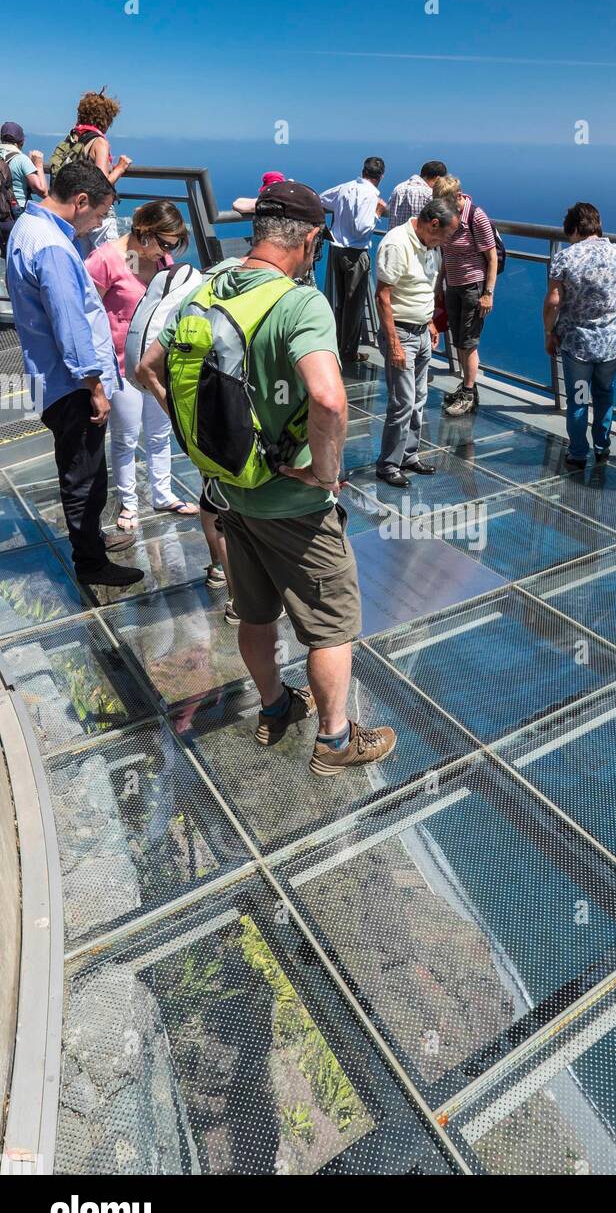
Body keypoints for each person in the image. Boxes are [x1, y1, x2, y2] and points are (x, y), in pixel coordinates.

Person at [136, 180, 397, 775]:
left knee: (254, 615)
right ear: (309, 240)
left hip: (228, 494)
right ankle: (334, 743)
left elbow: (146, 367)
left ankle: (276, 707)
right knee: (330, 627)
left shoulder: (207, 287)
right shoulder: (300, 303)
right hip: (291, 505)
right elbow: (329, 402)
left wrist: (194, 440)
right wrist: (323, 475)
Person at [5, 161, 144, 587]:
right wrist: (95, 385)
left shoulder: (27, 227)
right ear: (80, 200)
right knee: (84, 474)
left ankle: (93, 542)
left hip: (46, 374)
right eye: (99, 214)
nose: (97, 224)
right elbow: (69, 321)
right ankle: (91, 564)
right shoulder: (51, 246)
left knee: (80, 466)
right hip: (71, 383)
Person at [85, 201, 198, 533]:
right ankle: (129, 502)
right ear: (143, 231)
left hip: (155, 363)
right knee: (126, 437)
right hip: (119, 365)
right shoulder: (105, 259)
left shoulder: (161, 259)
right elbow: (87, 314)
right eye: (164, 242)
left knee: (161, 432)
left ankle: (162, 494)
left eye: (173, 245)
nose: (167, 251)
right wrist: (95, 376)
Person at [543, 202, 616, 470]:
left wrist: (549, 332)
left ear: (573, 229)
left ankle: (577, 453)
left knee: (579, 397)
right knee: (605, 393)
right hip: (611, 343)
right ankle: (602, 447)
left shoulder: (565, 257)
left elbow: (553, 302)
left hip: (577, 344)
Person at [375, 197, 459, 486]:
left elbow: (424, 288)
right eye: (448, 234)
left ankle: (408, 455)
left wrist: (431, 322)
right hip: (401, 334)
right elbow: (383, 296)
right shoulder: (397, 244)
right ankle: (388, 465)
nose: (449, 240)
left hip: (422, 331)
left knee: (419, 399)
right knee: (402, 402)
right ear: (434, 224)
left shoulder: (430, 245)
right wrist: (394, 343)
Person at [430, 176, 498, 416]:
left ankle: (468, 392)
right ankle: (467, 388)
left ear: (458, 196)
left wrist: (488, 293)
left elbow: (491, 257)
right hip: (453, 285)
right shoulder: (451, 216)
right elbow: (446, 253)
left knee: (468, 341)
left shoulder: (475, 216)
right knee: (458, 338)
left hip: (473, 286)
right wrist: (439, 283)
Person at [319, 156, 388, 366]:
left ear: (363, 171)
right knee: (354, 305)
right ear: (381, 176)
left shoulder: (346, 187)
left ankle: (336, 345)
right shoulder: (370, 195)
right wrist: (378, 212)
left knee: (340, 302)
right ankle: (347, 352)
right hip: (355, 253)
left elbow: (321, 199)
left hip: (337, 250)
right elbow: (361, 227)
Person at [48, 90, 132, 256]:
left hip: (77, 213)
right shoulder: (99, 142)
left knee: (85, 261)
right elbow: (101, 184)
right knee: (111, 258)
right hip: (98, 213)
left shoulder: (71, 140)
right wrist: (120, 168)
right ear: (105, 119)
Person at [387, 160, 448, 230]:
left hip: (392, 238)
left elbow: (389, 210)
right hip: (414, 240)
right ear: (438, 179)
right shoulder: (429, 194)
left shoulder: (398, 188)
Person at [0, 122, 48, 206]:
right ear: (21, 141)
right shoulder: (21, 159)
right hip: (16, 210)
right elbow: (43, 192)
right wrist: (38, 165)